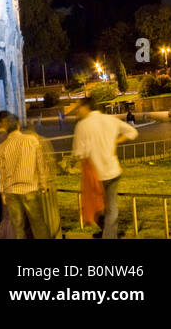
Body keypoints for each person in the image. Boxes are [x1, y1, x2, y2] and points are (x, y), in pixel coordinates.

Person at [72, 94, 139, 239]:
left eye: (79, 107)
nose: (77, 111)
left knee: (94, 207)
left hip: (95, 174)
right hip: (113, 171)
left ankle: (108, 235)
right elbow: (132, 132)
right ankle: (109, 233)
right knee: (111, 206)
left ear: (85, 107)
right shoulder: (110, 120)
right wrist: (116, 141)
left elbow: (79, 153)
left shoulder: (82, 125)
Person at [0, 113, 51, 239]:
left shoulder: (2, 147)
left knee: (18, 226)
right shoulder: (31, 140)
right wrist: (43, 184)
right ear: (18, 126)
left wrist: (2, 193)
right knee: (38, 223)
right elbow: (40, 164)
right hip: (29, 188)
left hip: (11, 192)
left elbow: (0, 172)